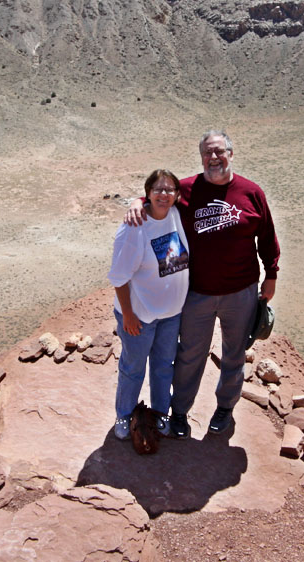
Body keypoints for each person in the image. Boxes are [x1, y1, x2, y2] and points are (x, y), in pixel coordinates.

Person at [126, 130, 280, 437]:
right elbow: (157, 195)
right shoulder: (186, 189)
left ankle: (225, 407)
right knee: (189, 355)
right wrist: (135, 201)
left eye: (219, 152)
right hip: (197, 293)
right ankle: (180, 411)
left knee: (234, 354)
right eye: (207, 153)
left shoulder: (252, 192)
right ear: (201, 157)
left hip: (242, 291)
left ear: (231, 154)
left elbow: (266, 237)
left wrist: (271, 276)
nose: (214, 158)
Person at [108, 169, 191, 440]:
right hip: (139, 316)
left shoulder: (176, 215)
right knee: (133, 368)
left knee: (163, 366)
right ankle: (124, 415)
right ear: (148, 193)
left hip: (171, 315)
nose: (164, 194)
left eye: (169, 190)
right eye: (157, 189)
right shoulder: (135, 227)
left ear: (177, 195)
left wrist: (135, 199)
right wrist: (129, 315)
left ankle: (159, 413)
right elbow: (119, 278)